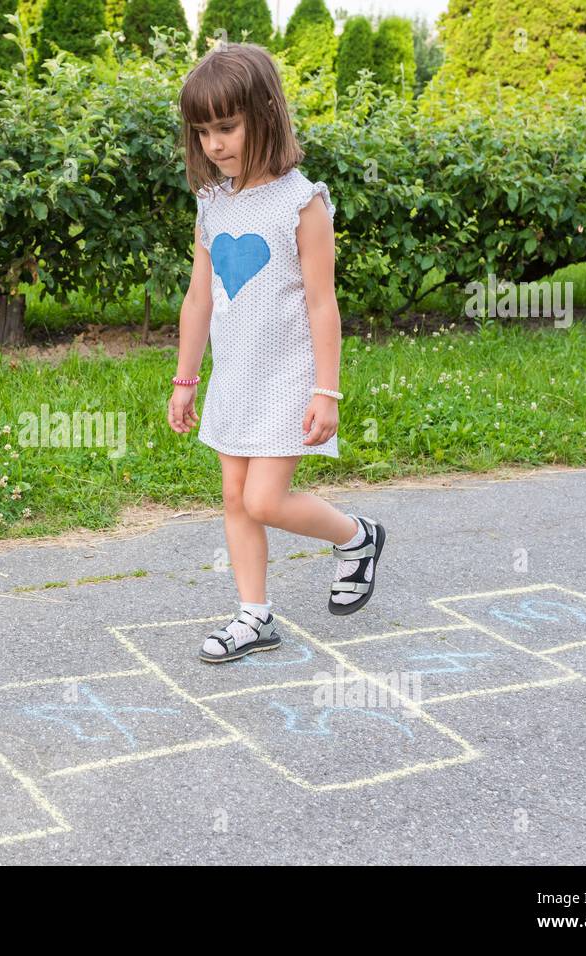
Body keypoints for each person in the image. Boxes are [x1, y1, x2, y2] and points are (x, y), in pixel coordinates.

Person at [167, 42, 386, 664]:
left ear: (265, 115)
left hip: (288, 376)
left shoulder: (303, 202)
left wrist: (327, 390)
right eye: (202, 131)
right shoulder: (211, 204)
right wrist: (187, 378)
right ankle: (253, 615)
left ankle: (358, 537)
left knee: (265, 499)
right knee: (236, 498)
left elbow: (323, 304)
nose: (214, 143)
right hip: (235, 374)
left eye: (227, 126)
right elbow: (198, 299)